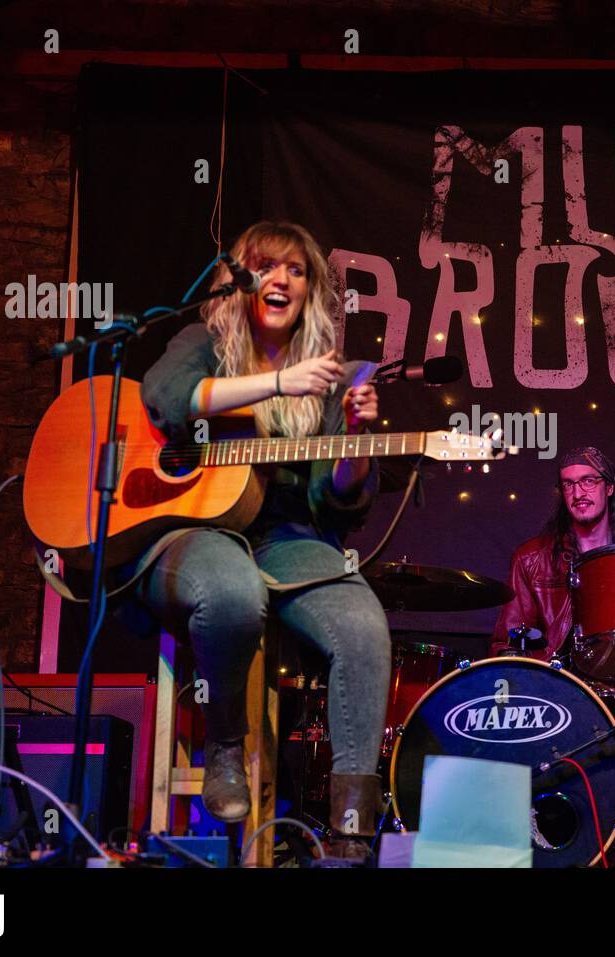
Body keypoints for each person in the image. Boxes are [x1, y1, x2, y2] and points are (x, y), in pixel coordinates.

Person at [137, 220, 390, 845]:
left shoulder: (330, 376)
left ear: (309, 290)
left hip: (286, 533)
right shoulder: (204, 341)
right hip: (191, 526)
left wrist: (355, 438)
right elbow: (166, 398)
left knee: (362, 628)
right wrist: (276, 383)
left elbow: (339, 499)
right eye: (267, 267)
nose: (280, 280)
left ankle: (350, 827)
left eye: (296, 270)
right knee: (230, 590)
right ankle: (224, 746)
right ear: (240, 280)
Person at [491, 447, 615, 659]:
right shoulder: (531, 559)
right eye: (568, 484)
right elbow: (506, 642)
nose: (578, 494)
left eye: (588, 481)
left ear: (610, 487)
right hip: (559, 682)